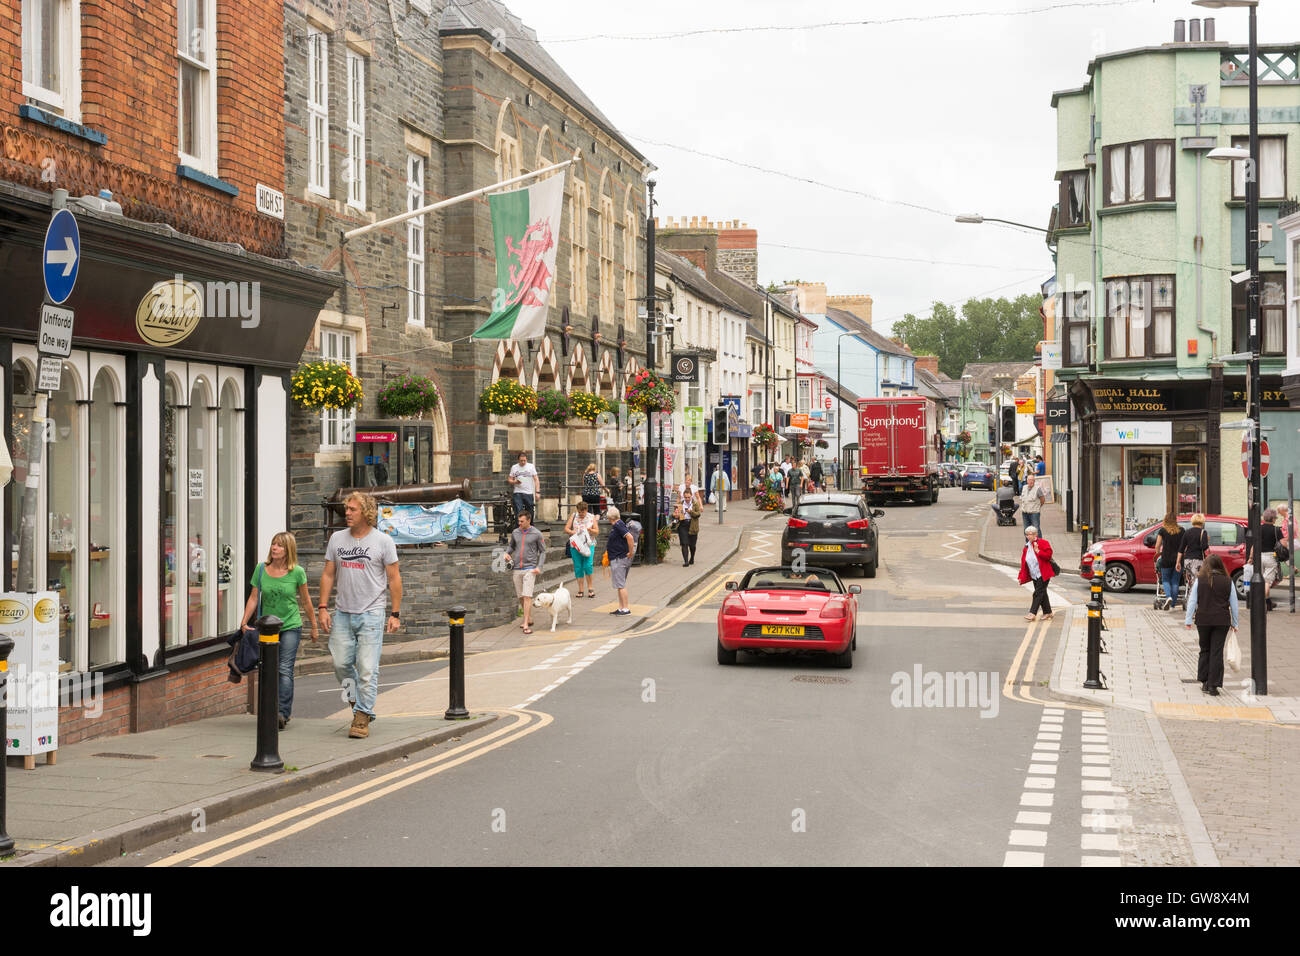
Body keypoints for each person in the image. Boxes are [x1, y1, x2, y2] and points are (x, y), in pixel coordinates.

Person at [317, 492, 401, 740]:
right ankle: (356, 702)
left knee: (367, 668)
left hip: (372, 613)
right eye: (346, 509)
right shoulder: (337, 539)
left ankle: (363, 715)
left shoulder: (383, 542)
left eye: (353, 509)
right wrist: (323, 607)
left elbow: (394, 578)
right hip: (343, 612)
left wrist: (395, 613)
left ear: (366, 512)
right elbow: (328, 574)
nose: (348, 513)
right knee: (340, 664)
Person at [239, 531, 317, 730]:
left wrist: (314, 625)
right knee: (267, 669)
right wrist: (244, 621)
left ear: (288, 549)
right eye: (273, 544)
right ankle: (269, 710)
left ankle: (282, 713)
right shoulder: (261, 569)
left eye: (280, 545)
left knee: (284, 669)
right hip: (266, 628)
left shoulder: (297, 572)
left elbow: (306, 601)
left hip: (290, 626)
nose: (275, 548)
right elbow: (254, 597)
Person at [1184, 554, 1239, 696]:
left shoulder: (1200, 580)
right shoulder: (1228, 581)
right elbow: (1234, 604)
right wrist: (1235, 622)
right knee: (1217, 651)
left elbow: (1192, 601)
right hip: (1222, 621)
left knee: (1205, 649)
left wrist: (1188, 620)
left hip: (1203, 620)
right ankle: (1214, 686)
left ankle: (1204, 682)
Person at [504, 510, 546, 634]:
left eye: (522, 521)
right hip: (517, 568)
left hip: (530, 569)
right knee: (521, 597)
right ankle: (529, 618)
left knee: (527, 596)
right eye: (519, 521)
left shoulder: (537, 534)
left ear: (528, 520)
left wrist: (539, 567)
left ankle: (526, 623)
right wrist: (507, 552)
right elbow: (512, 546)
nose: (519, 523)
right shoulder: (515, 532)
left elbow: (543, 551)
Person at [1245, 507, 1281, 611]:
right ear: (1273, 519)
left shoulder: (1258, 529)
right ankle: (1263, 603)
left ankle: (1267, 603)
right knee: (1267, 582)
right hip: (1271, 557)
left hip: (1258, 557)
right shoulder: (1276, 530)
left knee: (1259, 580)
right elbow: (1283, 545)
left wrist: (1251, 558)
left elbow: (1254, 545)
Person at [1017, 525, 1055, 622]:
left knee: (1037, 593)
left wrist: (1038, 551)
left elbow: (1049, 555)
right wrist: (1021, 575)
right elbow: (1023, 563)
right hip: (1034, 575)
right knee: (1042, 593)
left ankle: (1032, 613)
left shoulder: (1043, 543)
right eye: (1027, 534)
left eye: (1031, 534)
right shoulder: (1026, 547)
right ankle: (1048, 612)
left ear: (1036, 534)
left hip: (1043, 574)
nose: (1029, 536)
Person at [564, 499, 599, 598]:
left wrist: (590, 530)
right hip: (576, 545)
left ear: (586, 510)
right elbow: (566, 529)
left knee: (588, 565)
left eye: (583, 512)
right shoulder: (574, 516)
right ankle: (580, 589)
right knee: (578, 566)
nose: (581, 514)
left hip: (588, 545)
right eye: (579, 512)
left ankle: (590, 588)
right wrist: (573, 532)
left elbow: (597, 531)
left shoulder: (591, 517)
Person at [604, 506, 635, 615]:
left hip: (619, 559)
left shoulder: (618, 525)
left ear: (610, 518)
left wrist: (631, 552)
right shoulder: (620, 524)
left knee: (621, 585)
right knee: (619, 584)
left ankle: (625, 609)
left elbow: (630, 537)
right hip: (619, 558)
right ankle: (621, 608)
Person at [1154, 512, 1186, 609]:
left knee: (1166, 580)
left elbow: (1157, 545)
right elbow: (1184, 545)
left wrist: (1158, 554)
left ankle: (1168, 597)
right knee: (1175, 582)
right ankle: (1172, 605)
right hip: (1179, 560)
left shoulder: (1162, 531)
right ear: (1175, 520)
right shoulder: (1182, 530)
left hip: (1166, 559)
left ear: (1165, 520)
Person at [1177, 513, 1210, 593]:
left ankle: (1190, 599)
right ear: (1202, 522)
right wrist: (1207, 541)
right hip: (1198, 560)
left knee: (1190, 582)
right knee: (1197, 582)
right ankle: (1194, 600)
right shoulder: (1203, 532)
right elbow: (1204, 547)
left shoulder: (1187, 532)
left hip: (1187, 560)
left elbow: (1181, 549)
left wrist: (1178, 562)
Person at [508, 451, 539, 519]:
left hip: (528, 492)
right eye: (521, 461)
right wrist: (515, 482)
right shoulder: (514, 467)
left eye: (524, 460)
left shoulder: (531, 466)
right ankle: (519, 527)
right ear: (518, 460)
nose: (523, 462)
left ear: (526, 459)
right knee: (518, 510)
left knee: (530, 510)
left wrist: (537, 492)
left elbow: (536, 479)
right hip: (518, 492)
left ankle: (530, 526)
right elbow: (509, 479)